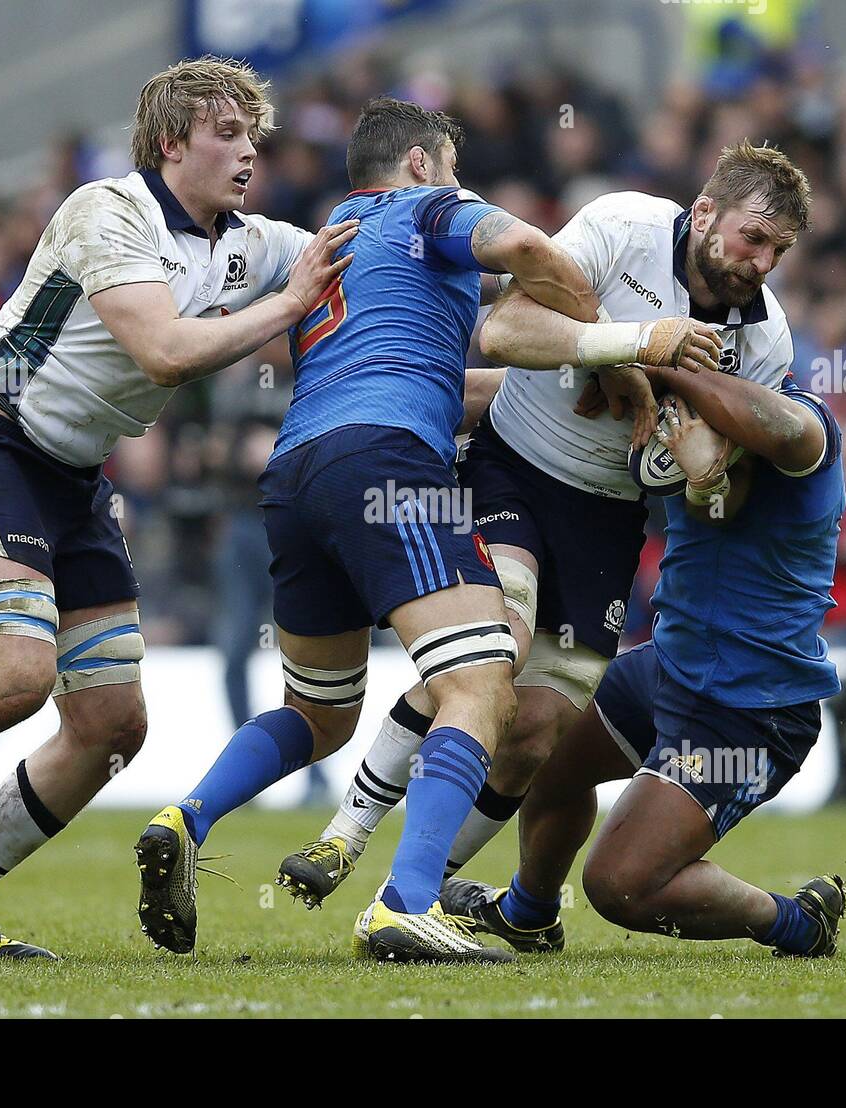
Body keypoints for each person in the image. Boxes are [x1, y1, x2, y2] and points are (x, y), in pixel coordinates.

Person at [0, 57, 356, 960]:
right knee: (17, 677)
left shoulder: (258, 243)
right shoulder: (106, 211)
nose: (249, 154)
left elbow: (347, 258)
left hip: (78, 479)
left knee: (114, 726)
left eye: (254, 137)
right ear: (171, 142)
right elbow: (162, 351)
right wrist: (287, 305)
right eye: (226, 134)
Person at [133, 97, 712, 964]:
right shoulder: (427, 207)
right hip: (389, 462)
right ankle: (405, 902)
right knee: (483, 681)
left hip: (297, 475)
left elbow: (441, 372)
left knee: (318, 714)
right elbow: (527, 250)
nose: (459, 183)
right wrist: (618, 351)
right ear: (417, 163)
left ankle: (187, 815)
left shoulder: (332, 239)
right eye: (450, 165)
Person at [278, 142, 810, 954]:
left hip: (607, 518)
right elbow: (508, 328)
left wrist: (700, 475)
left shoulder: (767, 343)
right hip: (515, 468)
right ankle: (342, 836)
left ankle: (406, 895)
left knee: (532, 730)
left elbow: (719, 482)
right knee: (501, 644)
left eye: (778, 251)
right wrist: (637, 344)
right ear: (704, 213)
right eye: (752, 238)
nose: (761, 262)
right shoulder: (624, 224)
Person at [445, 363, 846, 958]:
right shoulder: (676, 409)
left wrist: (658, 362)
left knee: (619, 887)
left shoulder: (804, 419)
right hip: (668, 667)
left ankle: (794, 922)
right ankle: (527, 915)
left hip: (749, 707)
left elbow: (783, 437)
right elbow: (521, 388)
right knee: (538, 746)